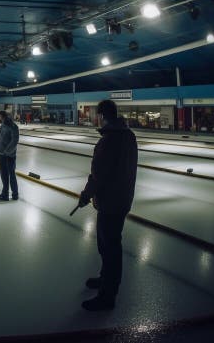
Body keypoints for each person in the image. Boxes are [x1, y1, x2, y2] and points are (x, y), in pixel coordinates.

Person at [76, 99, 137, 311]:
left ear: (101, 115)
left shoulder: (108, 140)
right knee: (109, 244)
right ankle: (105, 279)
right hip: (123, 198)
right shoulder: (129, 136)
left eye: (96, 115)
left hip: (110, 201)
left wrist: (85, 195)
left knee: (109, 246)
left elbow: (98, 174)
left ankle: (107, 295)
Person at [0, 110, 19, 201]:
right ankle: (5, 194)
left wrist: (7, 151)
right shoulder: (3, 124)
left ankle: (14, 194)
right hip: (2, 153)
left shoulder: (12, 126)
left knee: (10, 174)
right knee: (4, 175)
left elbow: (15, 140)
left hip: (8, 155)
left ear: (2, 116)